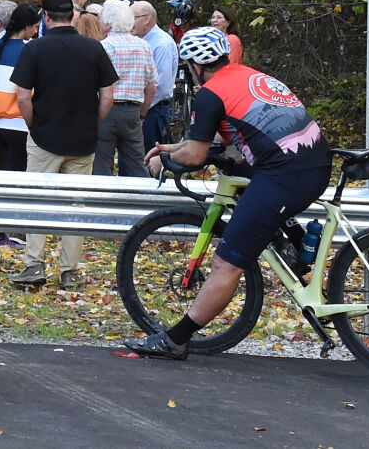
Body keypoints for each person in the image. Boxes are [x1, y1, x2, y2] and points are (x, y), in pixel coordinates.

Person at [123, 28, 331, 360]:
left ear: (195, 66)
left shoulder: (210, 94)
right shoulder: (249, 76)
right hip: (312, 163)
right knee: (245, 180)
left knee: (225, 264)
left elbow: (195, 156)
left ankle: (175, 340)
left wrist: (166, 160)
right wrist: (171, 148)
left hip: (285, 175)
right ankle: (293, 244)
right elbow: (217, 137)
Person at [8, 0, 119, 289]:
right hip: (83, 140)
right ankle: (70, 270)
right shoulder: (94, 48)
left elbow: (23, 97)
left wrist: (34, 125)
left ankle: (34, 264)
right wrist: (93, 124)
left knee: (37, 200)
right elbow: (108, 95)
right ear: (73, 16)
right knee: (75, 204)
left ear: (45, 17)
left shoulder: (35, 49)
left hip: (45, 137)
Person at [0, 2, 36, 249]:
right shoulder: (29, 50)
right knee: (18, 180)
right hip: (20, 122)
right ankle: (14, 231)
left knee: (0, 176)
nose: (36, 30)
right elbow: (29, 90)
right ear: (27, 26)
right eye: (34, 26)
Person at [96, 0, 158, 178]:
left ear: (108, 23)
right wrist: (142, 115)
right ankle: (143, 193)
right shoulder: (143, 46)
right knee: (136, 163)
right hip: (132, 111)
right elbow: (151, 87)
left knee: (101, 163)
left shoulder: (103, 47)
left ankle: (102, 194)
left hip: (105, 111)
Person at [132, 0, 179, 152]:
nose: (129, 23)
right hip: (144, 109)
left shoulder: (161, 44)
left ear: (147, 18)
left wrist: (142, 111)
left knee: (148, 156)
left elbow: (161, 86)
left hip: (152, 110)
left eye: (132, 18)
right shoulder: (141, 41)